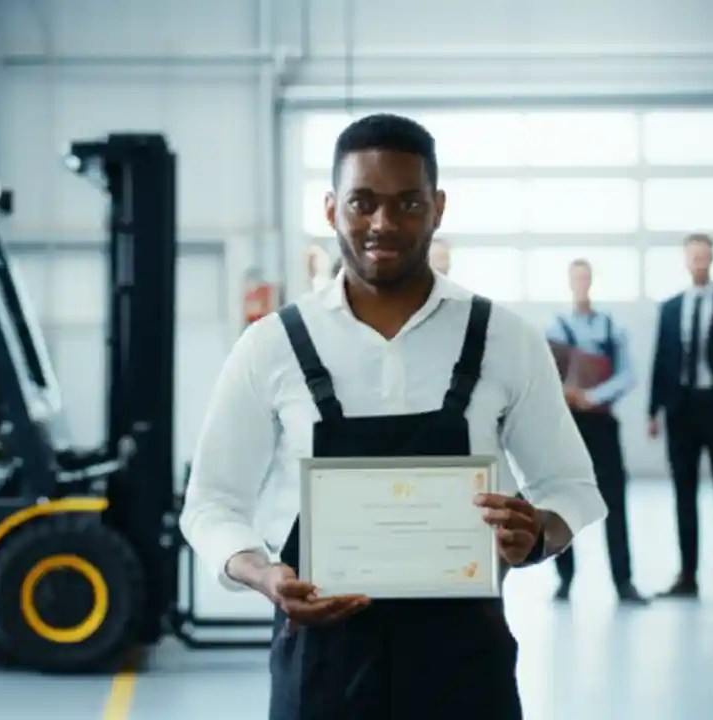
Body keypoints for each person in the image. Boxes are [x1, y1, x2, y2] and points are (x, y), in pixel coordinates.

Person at [179, 113, 606, 719]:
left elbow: (573, 489)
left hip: (464, 669)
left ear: (438, 207)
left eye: (407, 203)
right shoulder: (273, 345)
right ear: (331, 209)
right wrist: (263, 574)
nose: (383, 224)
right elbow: (211, 503)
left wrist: (539, 534)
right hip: (323, 669)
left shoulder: (503, 339)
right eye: (362, 203)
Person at [647, 233, 713, 603]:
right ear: (685, 259)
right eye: (693, 256)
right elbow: (661, 360)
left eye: (704, 255)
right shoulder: (670, 307)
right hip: (681, 409)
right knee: (684, 493)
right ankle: (688, 575)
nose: (699, 261)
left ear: (712, 258)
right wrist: (654, 410)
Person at [546, 259, 648, 605]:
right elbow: (546, 373)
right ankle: (565, 580)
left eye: (585, 278)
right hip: (568, 426)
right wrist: (566, 394)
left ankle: (623, 581)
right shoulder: (556, 327)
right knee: (562, 501)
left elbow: (628, 374)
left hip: (602, 423)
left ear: (591, 281)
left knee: (614, 502)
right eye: (575, 278)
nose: (580, 284)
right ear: (569, 282)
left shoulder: (610, 328)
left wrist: (592, 396)